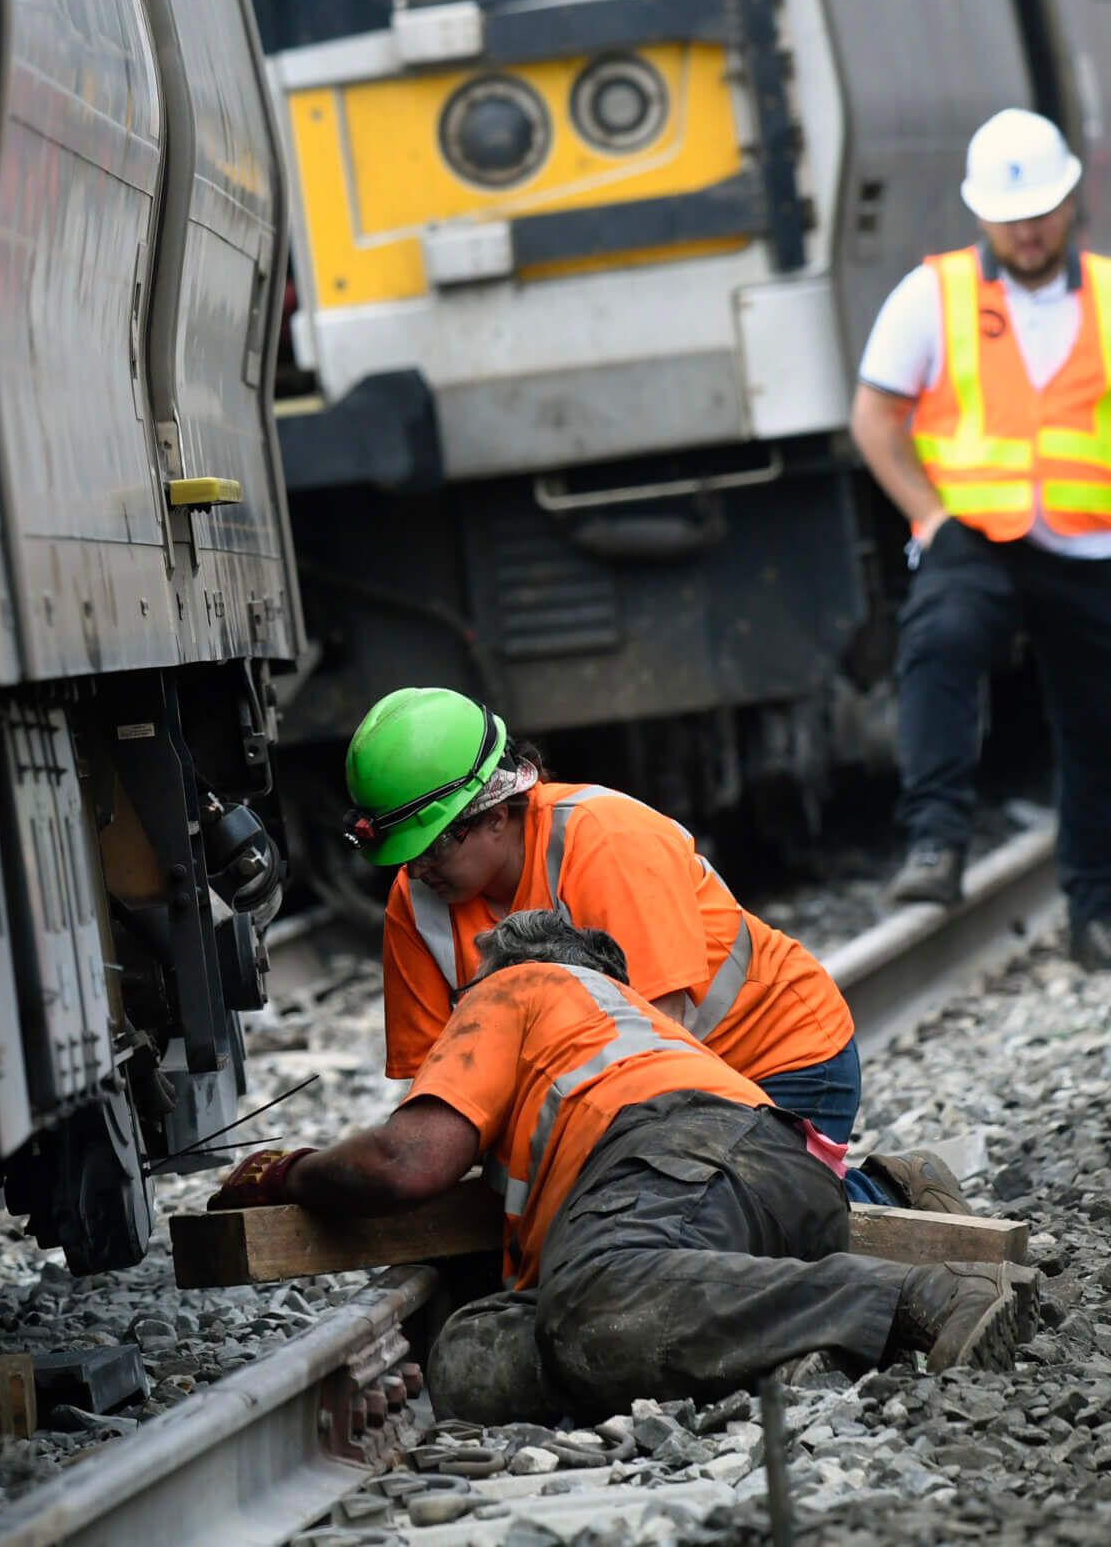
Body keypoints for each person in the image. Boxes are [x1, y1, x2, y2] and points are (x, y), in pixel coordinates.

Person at [212, 911, 1035, 1422]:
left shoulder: (516, 986)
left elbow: (410, 1161)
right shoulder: (625, 1022)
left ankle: (915, 1299)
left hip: (674, 1161)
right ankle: (797, 1337)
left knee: (591, 1301)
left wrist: (290, 1172)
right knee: (471, 1357)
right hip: (775, 1177)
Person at [340, 685, 956, 1210]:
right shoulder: (414, 904)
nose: (415, 870)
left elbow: (657, 1063)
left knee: (720, 1220)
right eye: (400, 854)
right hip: (651, 1082)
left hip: (778, 1059)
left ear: (497, 813)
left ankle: (887, 1197)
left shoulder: (604, 841)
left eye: (431, 847)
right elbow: (442, 1087)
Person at [848, 107, 1111, 970]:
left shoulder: (1108, 295)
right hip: (978, 535)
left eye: (1042, 210)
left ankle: (1094, 911)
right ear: (980, 215)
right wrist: (928, 515)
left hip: (1089, 549)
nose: (1028, 229)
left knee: (1096, 722)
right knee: (941, 636)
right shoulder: (934, 294)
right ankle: (934, 843)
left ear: (1071, 200)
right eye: (1011, 214)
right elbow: (877, 418)